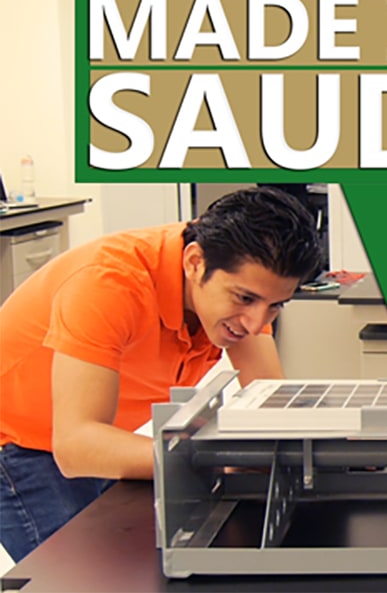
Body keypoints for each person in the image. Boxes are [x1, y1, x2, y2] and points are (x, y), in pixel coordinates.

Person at [0, 187, 323, 561]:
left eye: (276, 305)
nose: (255, 324)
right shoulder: (109, 284)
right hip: (19, 441)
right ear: (194, 262)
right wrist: (215, 455)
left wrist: (330, 443)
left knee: (127, 561)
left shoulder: (237, 274)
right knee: (78, 575)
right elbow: (75, 446)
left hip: (89, 432)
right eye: (245, 299)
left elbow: (270, 399)